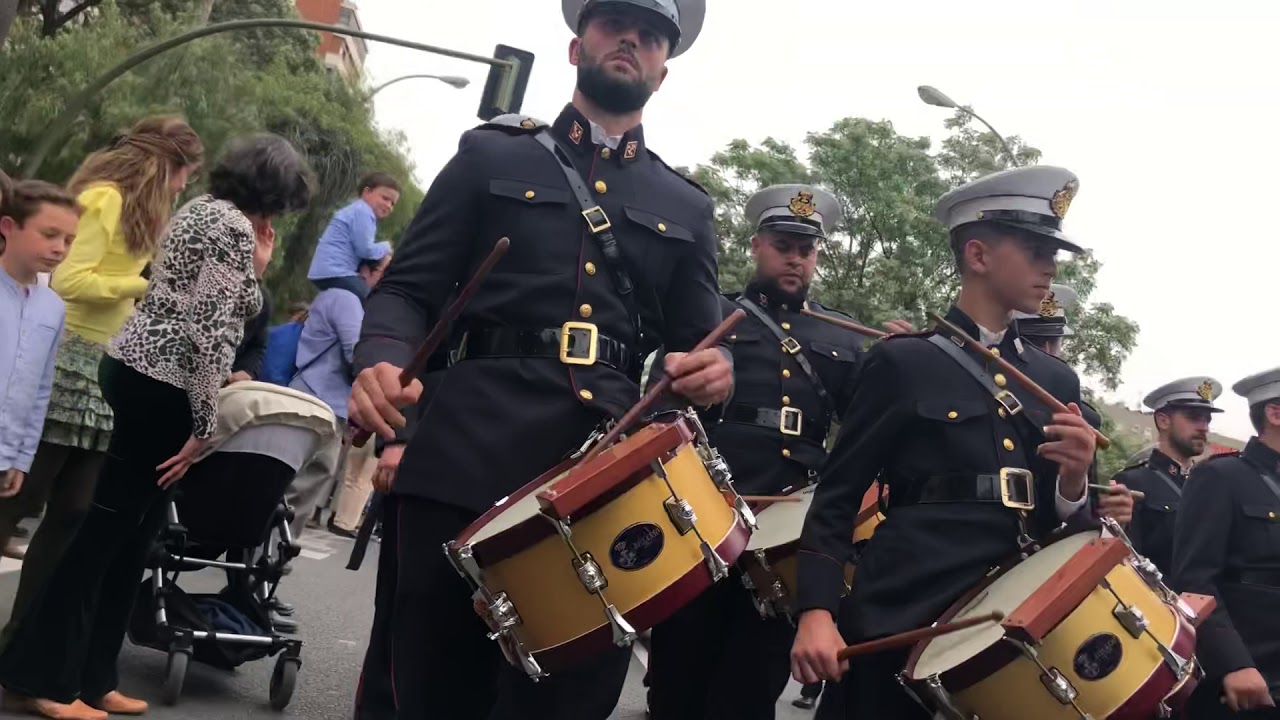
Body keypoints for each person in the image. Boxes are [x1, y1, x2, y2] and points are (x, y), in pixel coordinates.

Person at [345, 1, 733, 717]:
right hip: (463, 450)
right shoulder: (491, 154)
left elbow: (695, 351)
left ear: (663, 71)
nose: (631, 41)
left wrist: (713, 378)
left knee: (564, 701)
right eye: (615, 23)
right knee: (421, 684)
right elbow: (407, 288)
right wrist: (382, 356)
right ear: (575, 45)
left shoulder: (686, 206)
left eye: (650, 36)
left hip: (601, 476)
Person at [0, 133, 311, 720]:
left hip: (141, 370)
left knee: (133, 540)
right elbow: (212, 331)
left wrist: (256, 271)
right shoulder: (232, 227)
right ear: (273, 192)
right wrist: (203, 426)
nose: (280, 217)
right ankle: (35, 676)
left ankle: (93, 678)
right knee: (104, 537)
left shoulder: (201, 208)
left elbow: (204, 305)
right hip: (161, 383)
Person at [789, 165, 1099, 719]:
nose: (1051, 266)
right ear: (978, 256)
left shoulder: (1057, 383)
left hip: (1002, 619)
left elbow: (1061, 532)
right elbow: (837, 496)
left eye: (1053, 253)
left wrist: (1075, 482)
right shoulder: (903, 362)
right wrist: (816, 609)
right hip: (902, 609)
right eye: (1035, 250)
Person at [646, 184, 868, 720]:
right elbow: (658, 416)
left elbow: (867, 429)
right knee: (678, 682)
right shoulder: (713, 316)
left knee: (749, 693)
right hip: (706, 521)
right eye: (783, 244)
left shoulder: (841, 334)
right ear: (756, 245)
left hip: (788, 535)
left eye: (806, 248)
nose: (795, 257)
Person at [0, 116, 201, 578]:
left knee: (74, 510)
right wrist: (140, 285)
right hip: (68, 361)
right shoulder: (105, 198)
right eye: (184, 170)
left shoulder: (139, 211)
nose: (184, 184)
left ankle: (23, 639)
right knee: (23, 498)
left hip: (104, 368)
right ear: (162, 164)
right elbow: (69, 279)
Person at [1173, 369, 1280, 718]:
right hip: (1254, 679)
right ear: (1274, 413)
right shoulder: (1222, 477)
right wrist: (1234, 663)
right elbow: (1195, 581)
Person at [0, 181, 78, 509]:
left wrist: (22, 456)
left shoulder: (53, 307)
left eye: (68, 240)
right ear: (8, 227)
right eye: (49, 235)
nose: (60, 248)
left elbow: (40, 388)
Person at [1112, 377, 1221, 576]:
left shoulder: (1213, 486)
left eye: (1207, 420)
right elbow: (1125, 563)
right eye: (1194, 417)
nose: (1204, 427)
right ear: (1163, 420)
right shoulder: (1132, 482)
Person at [306, 172, 400, 299]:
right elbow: (365, 250)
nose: (388, 205)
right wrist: (386, 246)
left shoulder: (357, 210)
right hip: (335, 272)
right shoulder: (363, 212)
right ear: (367, 192)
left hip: (327, 272)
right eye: (385, 198)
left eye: (393, 203)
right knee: (371, 301)